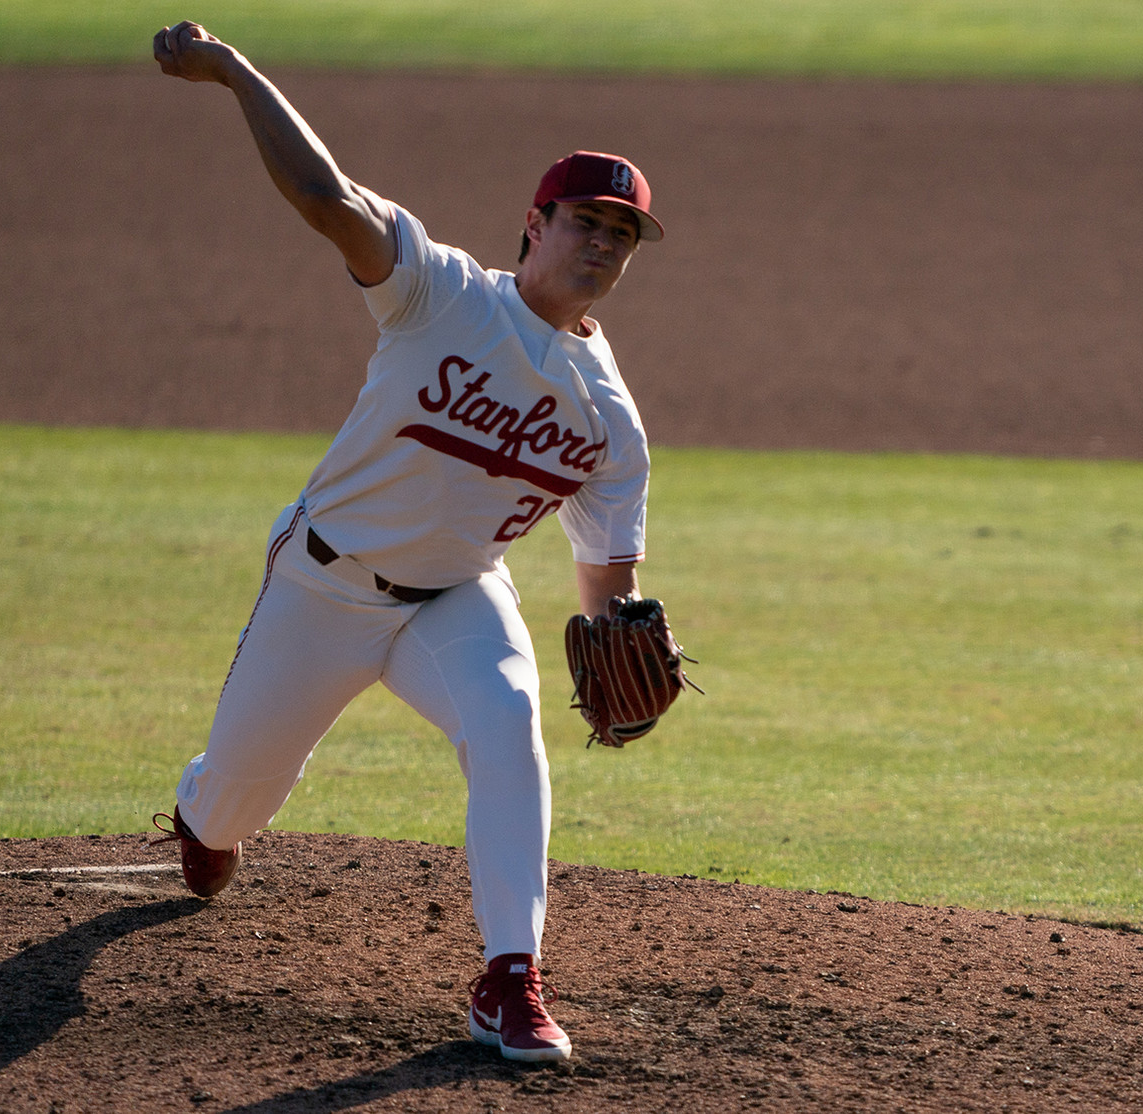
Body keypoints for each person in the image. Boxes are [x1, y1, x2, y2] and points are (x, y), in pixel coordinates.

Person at [147, 21, 667, 1063]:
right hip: (322, 587)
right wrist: (235, 72)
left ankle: (509, 980)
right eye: (587, 222)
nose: (605, 243)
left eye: (625, 233)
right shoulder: (440, 291)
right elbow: (325, 199)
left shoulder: (611, 423)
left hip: (456, 599)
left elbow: (608, 588)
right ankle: (205, 818)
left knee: (510, 715)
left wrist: (624, 644)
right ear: (536, 222)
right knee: (230, 814)